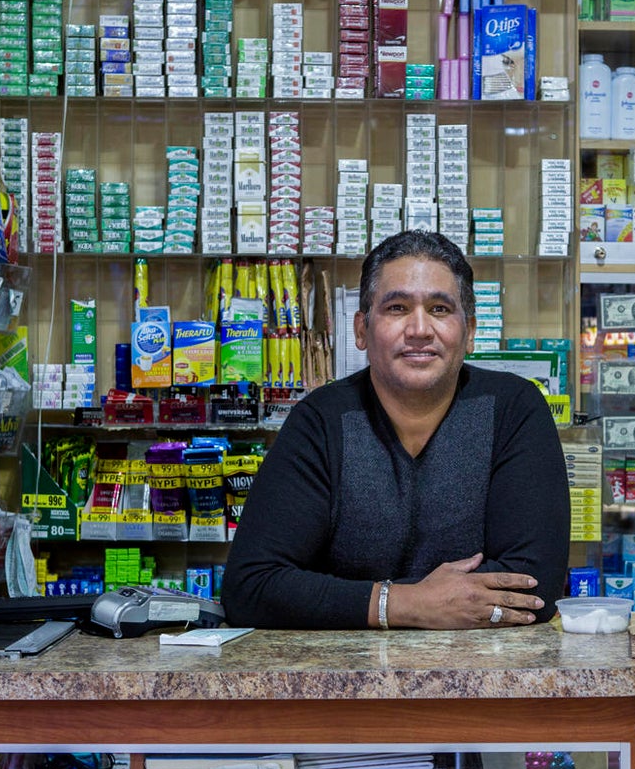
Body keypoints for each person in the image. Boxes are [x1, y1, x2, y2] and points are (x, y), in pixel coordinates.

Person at [222, 231, 569, 630]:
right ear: (361, 330)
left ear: (470, 331)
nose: (419, 329)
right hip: (343, 681)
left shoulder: (513, 409)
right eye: (397, 307)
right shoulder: (321, 421)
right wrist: (406, 604)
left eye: (440, 309)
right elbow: (250, 588)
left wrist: (335, 599)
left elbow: (533, 590)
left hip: (485, 679)